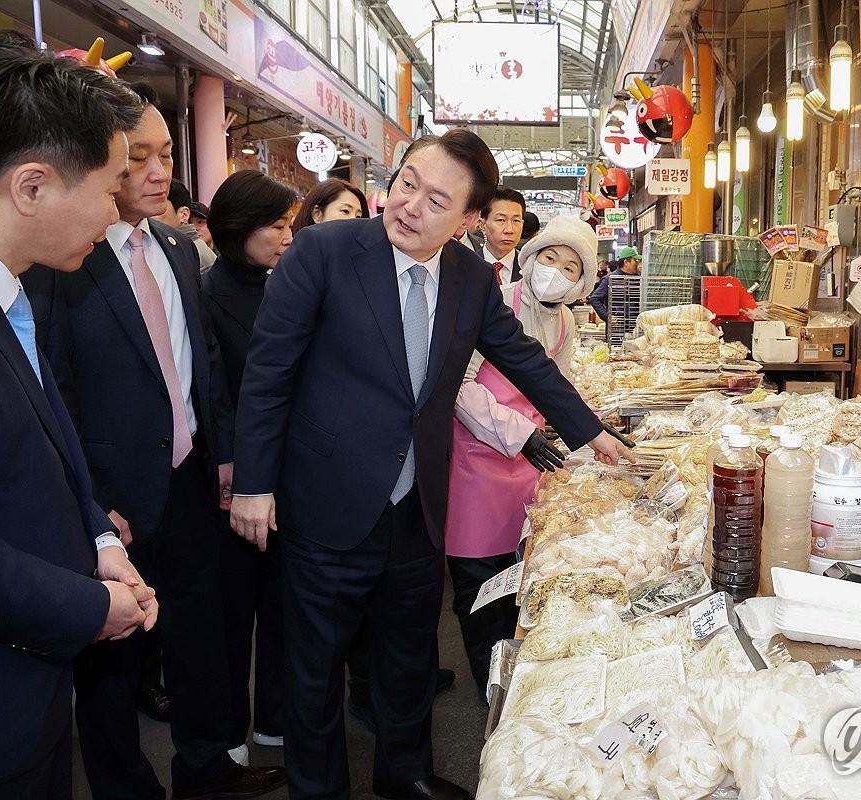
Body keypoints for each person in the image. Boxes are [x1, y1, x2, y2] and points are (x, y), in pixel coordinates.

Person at [229, 128, 634, 800]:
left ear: (468, 219)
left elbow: (522, 358)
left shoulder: (471, 279)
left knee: (409, 652)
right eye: (408, 184)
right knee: (315, 667)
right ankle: (318, 789)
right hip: (328, 496)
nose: (411, 205)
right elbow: (268, 373)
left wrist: (589, 432)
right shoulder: (326, 252)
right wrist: (253, 484)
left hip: (417, 501)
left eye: (437, 200)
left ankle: (406, 772)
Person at [51, 85, 286, 800]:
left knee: (200, 639)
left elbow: (202, 361)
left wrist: (225, 453)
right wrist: (89, 504)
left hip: (188, 479)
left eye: (167, 156)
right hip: (112, 499)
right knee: (112, 662)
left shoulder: (181, 248)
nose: (158, 174)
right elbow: (55, 388)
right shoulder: (64, 259)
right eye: (138, 159)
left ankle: (207, 769)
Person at [0, 46, 159, 800]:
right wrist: (90, 608)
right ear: (32, 186)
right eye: (109, 185)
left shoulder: (17, 296)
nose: (116, 209)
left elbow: (43, 450)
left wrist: (97, 539)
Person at [445, 215, 601, 695]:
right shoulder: (493, 302)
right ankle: (488, 685)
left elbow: (557, 386)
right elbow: (459, 386)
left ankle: (513, 679)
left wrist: (587, 429)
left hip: (527, 468)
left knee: (518, 578)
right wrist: (521, 434)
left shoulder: (565, 322)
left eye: (570, 267)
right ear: (531, 257)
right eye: (549, 257)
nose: (555, 271)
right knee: (478, 585)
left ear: (582, 282)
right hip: (476, 460)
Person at [202, 170, 294, 751]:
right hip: (233, 474)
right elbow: (212, 392)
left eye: (290, 225)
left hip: (291, 469)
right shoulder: (204, 295)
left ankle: (275, 720)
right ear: (239, 228)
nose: (288, 237)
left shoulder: (285, 287)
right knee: (232, 612)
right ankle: (229, 730)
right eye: (276, 226)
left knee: (283, 603)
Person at [158, 178, 217, 271]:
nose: (149, 217)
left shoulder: (192, 252)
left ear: (184, 214)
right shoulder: (168, 246)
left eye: (159, 210)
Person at [478, 185, 526, 286]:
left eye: (516, 221)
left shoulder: (529, 269)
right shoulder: (466, 265)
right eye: (501, 220)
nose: (509, 230)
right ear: (482, 225)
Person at [291, 177, 367, 235]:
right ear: (317, 214)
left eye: (358, 217)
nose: (354, 220)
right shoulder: (294, 250)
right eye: (345, 211)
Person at [589, 244, 641, 322]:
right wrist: (607, 316)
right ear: (626, 262)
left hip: (635, 325)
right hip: (616, 326)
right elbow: (595, 299)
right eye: (635, 261)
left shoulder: (638, 279)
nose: (637, 264)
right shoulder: (609, 279)